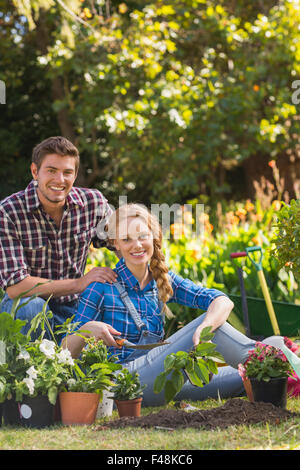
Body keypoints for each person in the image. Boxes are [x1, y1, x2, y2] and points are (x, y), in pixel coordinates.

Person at [63, 203, 259, 406]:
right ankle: (270, 360)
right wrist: (85, 330)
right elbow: (64, 353)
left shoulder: (161, 280)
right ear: (115, 243)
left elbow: (222, 300)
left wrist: (204, 328)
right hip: (121, 383)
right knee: (221, 336)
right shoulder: (101, 287)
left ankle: (279, 368)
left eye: (142, 236)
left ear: (153, 236)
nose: (137, 245)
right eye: (127, 239)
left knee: (241, 377)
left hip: (157, 379)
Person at [0, 136, 117, 340]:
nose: (59, 180)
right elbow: (16, 287)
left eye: (67, 172)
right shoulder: (9, 212)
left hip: (75, 308)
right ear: (35, 171)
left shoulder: (92, 203)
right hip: (28, 308)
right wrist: (79, 283)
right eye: (51, 171)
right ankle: (25, 369)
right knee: (30, 307)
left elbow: (125, 243)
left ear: (75, 174)